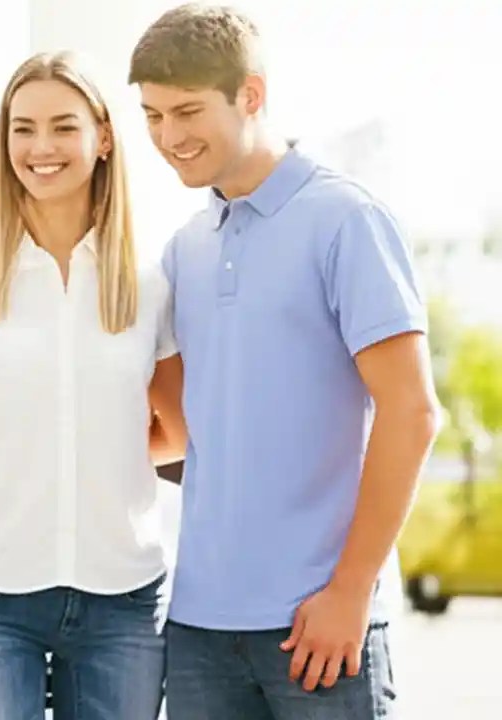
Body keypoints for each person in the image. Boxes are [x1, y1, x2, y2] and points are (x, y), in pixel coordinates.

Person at [127, 4, 441, 718]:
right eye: (151, 116)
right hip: (201, 627)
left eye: (187, 111)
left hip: (319, 625)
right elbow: (176, 427)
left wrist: (351, 590)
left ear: (252, 95)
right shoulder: (187, 248)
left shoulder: (344, 220)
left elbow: (413, 411)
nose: (169, 138)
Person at [0, 50, 187, 720]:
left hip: (124, 595)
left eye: (63, 126)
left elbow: (178, 430)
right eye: (22, 128)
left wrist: (81, 451)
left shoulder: (150, 288)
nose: (41, 148)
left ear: (104, 137)